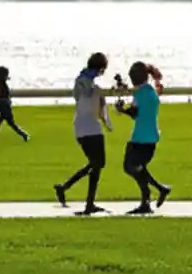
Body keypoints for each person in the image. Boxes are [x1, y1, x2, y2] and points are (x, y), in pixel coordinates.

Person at [54, 53, 112, 215]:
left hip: (82, 127)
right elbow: (88, 95)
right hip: (91, 128)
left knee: (95, 164)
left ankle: (71, 191)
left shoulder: (83, 82)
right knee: (97, 164)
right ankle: (87, 202)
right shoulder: (86, 83)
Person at [115, 61, 171, 215]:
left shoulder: (140, 94)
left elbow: (134, 113)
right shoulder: (151, 92)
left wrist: (121, 109)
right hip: (151, 138)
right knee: (139, 168)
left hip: (140, 137)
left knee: (130, 166)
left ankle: (153, 194)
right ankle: (153, 194)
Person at [0, 66, 29, 142]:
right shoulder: (1, 84)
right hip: (3, 105)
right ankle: (23, 134)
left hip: (2, 105)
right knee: (0, 122)